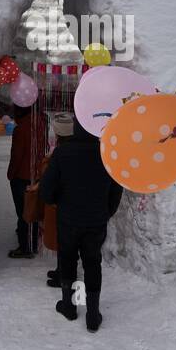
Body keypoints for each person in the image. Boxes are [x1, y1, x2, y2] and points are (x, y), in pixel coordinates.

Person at [39, 113, 123, 331]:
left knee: (68, 260)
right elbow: (116, 188)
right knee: (92, 263)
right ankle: (93, 315)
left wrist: (57, 201)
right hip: (96, 220)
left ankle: (70, 306)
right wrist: (106, 212)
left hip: (68, 220)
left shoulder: (62, 152)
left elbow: (46, 190)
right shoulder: (106, 154)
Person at [6, 102, 48, 258]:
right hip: (37, 174)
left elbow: (17, 155)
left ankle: (25, 247)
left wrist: (11, 174)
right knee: (33, 208)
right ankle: (33, 241)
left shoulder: (21, 129)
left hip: (22, 176)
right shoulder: (42, 123)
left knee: (23, 212)